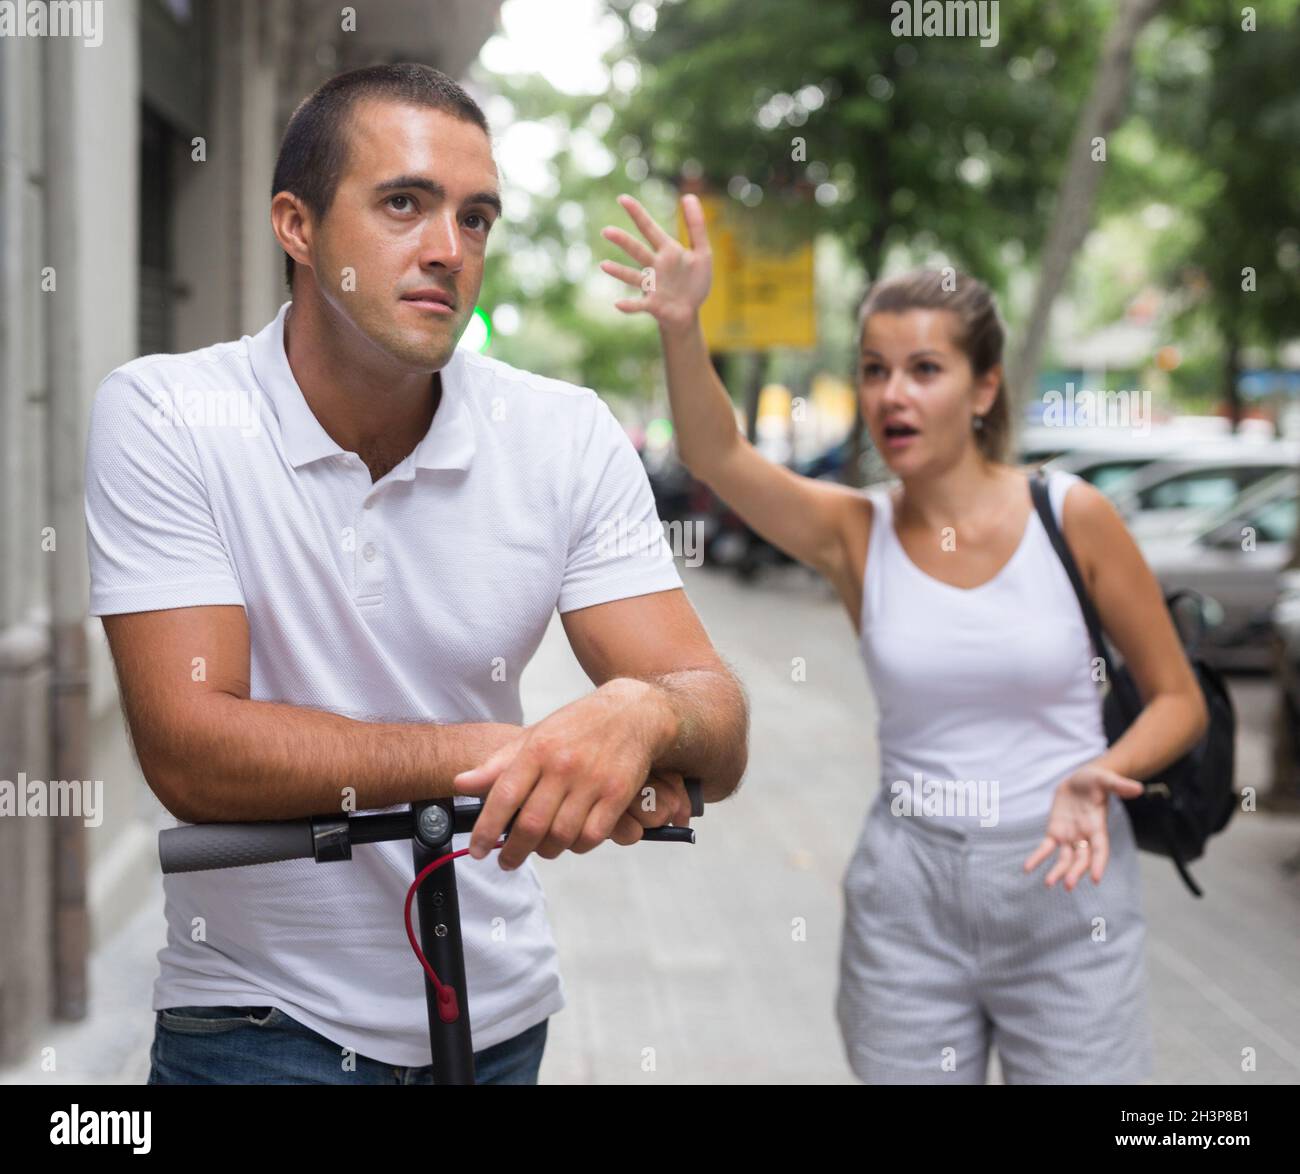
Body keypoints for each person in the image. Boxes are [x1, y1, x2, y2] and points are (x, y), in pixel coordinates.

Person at [84, 65, 748, 1086]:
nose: (448, 248)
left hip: (495, 1017)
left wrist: (640, 719)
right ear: (295, 227)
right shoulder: (169, 414)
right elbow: (193, 750)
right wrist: (505, 753)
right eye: (404, 203)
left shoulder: (561, 433)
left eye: (476, 217)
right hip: (255, 1024)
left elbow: (715, 722)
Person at [599, 192, 1208, 1083]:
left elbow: (1179, 700)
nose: (893, 394)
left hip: (1068, 881)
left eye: (925, 369)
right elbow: (716, 453)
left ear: (984, 387)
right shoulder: (856, 531)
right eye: (876, 370)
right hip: (908, 895)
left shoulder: (1071, 516)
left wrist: (1099, 775)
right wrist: (683, 325)